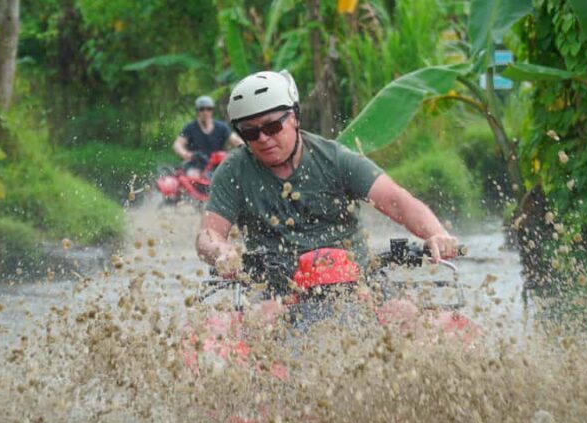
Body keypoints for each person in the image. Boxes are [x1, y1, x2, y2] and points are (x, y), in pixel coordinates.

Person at [196, 70, 459, 283]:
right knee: (263, 318)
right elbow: (209, 234)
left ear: (294, 118)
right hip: (277, 286)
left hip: (356, 278)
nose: (263, 138)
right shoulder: (233, 172)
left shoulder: (335, 159)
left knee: (403, 314)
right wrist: (222, 252)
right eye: (251, 133)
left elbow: (395, 200)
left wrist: (435, 234)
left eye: (272, 126)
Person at [172, 96, 244, 178]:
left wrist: (245, 150)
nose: (205, 112)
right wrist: (188, 155)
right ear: (197, 111)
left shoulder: (221, 127)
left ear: (212, 110)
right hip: (195, 164)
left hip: (218, 164)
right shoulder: (190, 127)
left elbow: (236, 140)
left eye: (208, 109)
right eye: (202, 109)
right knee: (193, 176)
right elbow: (177, 145)